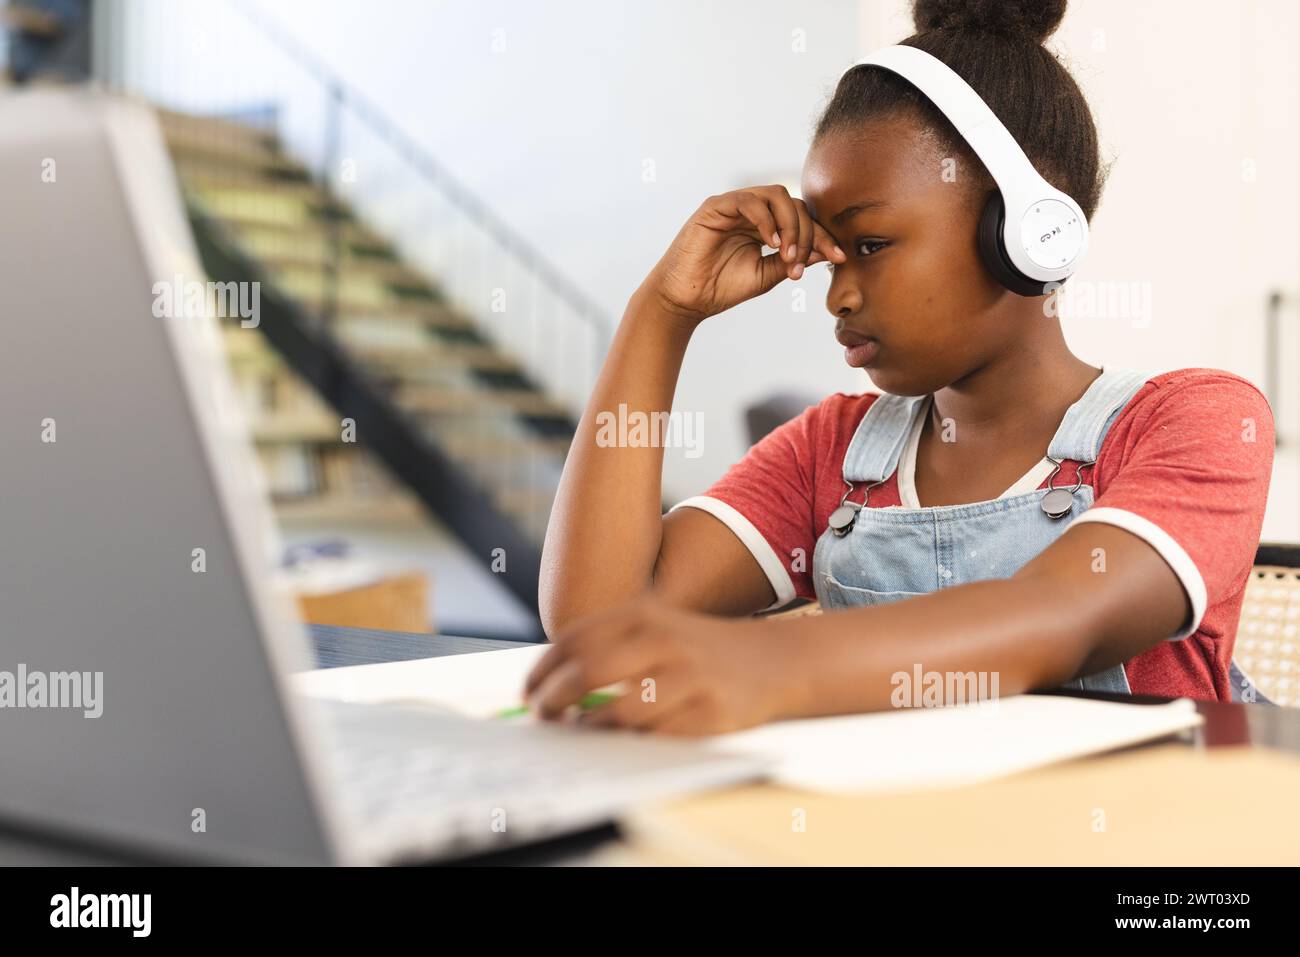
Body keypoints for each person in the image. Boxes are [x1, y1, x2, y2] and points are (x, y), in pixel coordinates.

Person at [526, 0, 1275, 734]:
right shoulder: (834, 452)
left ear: (1024, 232)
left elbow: (1055, 616)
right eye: (828, 254)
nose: (838, 295)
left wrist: (772, 660)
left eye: (872, 245)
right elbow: (601, 624)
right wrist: (660, 313)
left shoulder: (1195, 422)